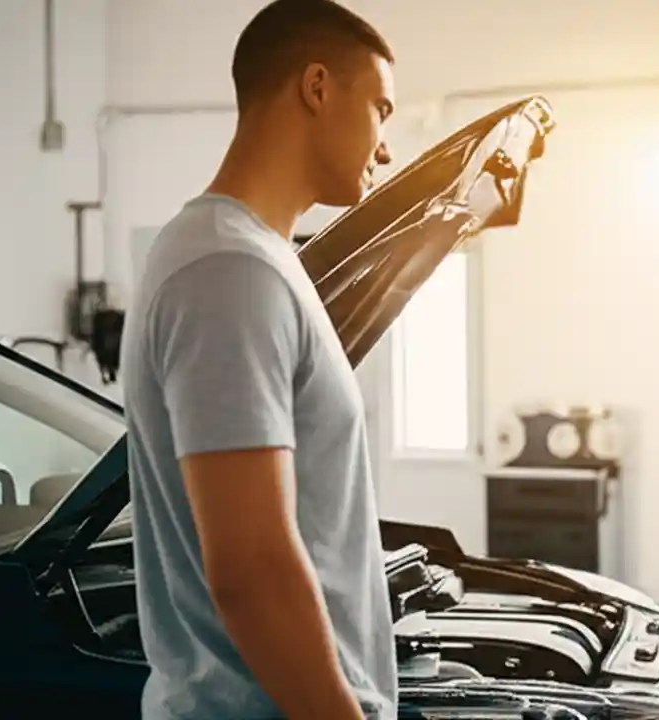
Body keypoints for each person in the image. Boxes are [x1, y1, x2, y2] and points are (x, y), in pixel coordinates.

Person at [119, 1, 397, 718]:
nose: (387, 146)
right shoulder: (226, 271)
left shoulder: (254, 258)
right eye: (381, 109)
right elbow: (252, 568)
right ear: (316, 86)